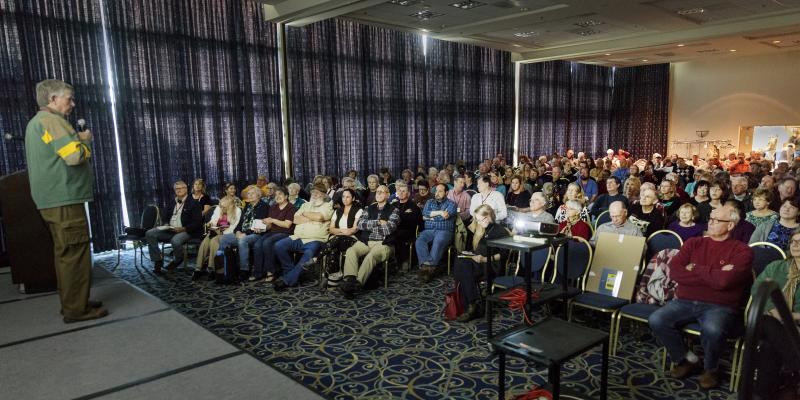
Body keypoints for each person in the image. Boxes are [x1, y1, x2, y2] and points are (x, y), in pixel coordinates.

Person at [24, 79, 108, 323]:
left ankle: (73, 301)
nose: (73, 103)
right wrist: (85, 140)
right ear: (52, 100)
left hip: (52, 199)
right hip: (64, 199)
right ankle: (77, 309)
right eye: (68, 98)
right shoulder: (53, 121)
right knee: (75, 255)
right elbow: (73, 156)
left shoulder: (37, 122)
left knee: (66, 253)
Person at [649, 206, 753, 390]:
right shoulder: (693, 243)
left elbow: (725, 282)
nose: (710, 222)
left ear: (730, 225)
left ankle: (711, 369)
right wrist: (715, 273)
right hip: (685, 300)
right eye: (710, 218)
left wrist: (695, 268)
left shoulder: (742, 251)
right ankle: (688, 360)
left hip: (720, 305)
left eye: (716, 220)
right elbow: (676, 273)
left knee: (712, 329)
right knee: (657, 319)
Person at [749, 229, 800, 398]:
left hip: (793, 326)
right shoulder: (777, 266)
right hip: (770, 319)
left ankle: (762, 394)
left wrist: (792, 317)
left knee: (769, 346)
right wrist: (774, 310)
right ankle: (796, 369)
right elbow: (757, 289)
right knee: (766, 320)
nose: (796, 245)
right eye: (793, 241)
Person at [452, 205, 512, 322]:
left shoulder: (500, 231)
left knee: (463, 268)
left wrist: (484, 259)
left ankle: (472, 304)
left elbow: (504, 255)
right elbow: (481, 250)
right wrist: (470, 253)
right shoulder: (486, 229)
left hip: (492, 265)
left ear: (488, 217)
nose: (478, 223)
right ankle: (472, 304)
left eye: (480, 220)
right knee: (459, 259)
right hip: (480, 262)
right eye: (478, 220)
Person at [339, 185, 399, 298]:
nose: (379, 194)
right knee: (351, 251)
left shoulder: (394, 210)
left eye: (382, 192)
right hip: (367, 241)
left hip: (383, 243)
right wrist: (378, 222)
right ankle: (350, 281)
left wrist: (369, 224)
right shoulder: (368, 208)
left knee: (371, 256)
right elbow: (360, 224)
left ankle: (357, 284)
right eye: (377, 192)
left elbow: (388, 229)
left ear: (387, 195)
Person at [273, 184, 334, 291]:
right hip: (298, 237)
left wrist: (305, 215)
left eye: (317, 193)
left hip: (316, 239)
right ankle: (292, 274)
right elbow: (295, 219)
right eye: (313, 192)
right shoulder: (305, 205)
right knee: (279, 245)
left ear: (324, 195)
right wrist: (312, 217)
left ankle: (288, 280)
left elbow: (320, 217)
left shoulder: (327, 205)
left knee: (309, 254)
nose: (314, 194)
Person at [145, 180, 204, 274]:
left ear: (186, 189)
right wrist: (165, 224)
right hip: (170, 229)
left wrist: (183, 229)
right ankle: (158, 260)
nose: (179, 190)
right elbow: (165, 215)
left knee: (175, 241)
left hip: (186, 230)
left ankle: (177, 260)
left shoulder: (194, 203)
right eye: (176, 189)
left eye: (181, 188)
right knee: (149, 233)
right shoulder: (172, 202)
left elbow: (198, 222)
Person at [218, 186, 270, 279]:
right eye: (248, 194)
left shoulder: (263, 206)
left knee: (243, 240)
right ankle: (224, 268)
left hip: (257, 234)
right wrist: (237, 231)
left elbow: (258, 225)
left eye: (252, 193)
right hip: (243, 233)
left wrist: (245, 233)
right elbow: (240, 222)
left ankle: (244, 270)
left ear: (258, 195)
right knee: (224, 238)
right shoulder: (247, 206)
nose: (249, 195)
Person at [251, 186, 296, 282]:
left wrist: (272, 220)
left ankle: (271, 272)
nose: (277, 196)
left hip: (286, 233)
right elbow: (270, 225)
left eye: (280, 194)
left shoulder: (291, 207)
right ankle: (258, 273)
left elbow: (287, 225)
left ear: (286, 196)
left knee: (267, 242)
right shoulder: (273, 207)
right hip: (273, 232)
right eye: (276, 195)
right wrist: (261, 229)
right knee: (258, 244)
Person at [318, 188, 362, 284]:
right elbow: (331, 229)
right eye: (343, 197)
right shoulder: (338, 211)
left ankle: (317, 258)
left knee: (335, 240)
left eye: (348, 197)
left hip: (351, 239)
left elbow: (354, 230)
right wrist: (343, 231)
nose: (345, 199)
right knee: (334, 248)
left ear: (353, 198)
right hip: (337, 238)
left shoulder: (359, 210)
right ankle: (333, 279)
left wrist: (339, 232)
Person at [192, 195, 240, 281]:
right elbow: (213, 220)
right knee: (206, 241)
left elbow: (234, 228)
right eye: (221, 206)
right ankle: (198, 269)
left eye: (224, 207)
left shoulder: (237, 211)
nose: (222, 208)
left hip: (227, 234)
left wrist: (220, 231)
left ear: (231, 206)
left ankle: (212, 269)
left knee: (213, 241)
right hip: (216, 232)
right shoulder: (219, 208)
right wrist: (210, 224)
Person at [416, 183, 458, 282]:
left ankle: (426, 270)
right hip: (429, 230)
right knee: (419, 240)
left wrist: (430, 217)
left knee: (439, 241)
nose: (437, 193)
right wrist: (440, 212)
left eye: (440, 191)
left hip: (444, 231)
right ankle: (429, 266)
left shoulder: (452, 204)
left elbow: (445, 217)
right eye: (436, 191)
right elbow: (424, 213)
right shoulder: (429, 202)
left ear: (446, 192)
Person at [390, 181, 423, 270]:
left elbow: (412, 220)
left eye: (403, 191)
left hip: (409, 230)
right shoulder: (393, 204)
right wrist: (403, 214)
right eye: (399, 191)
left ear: (408, 193)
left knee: (398, 235)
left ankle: (404, 260)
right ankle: (391, 260)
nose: (401, 193)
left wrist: (399, 216)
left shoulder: (413, 205)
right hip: (394, 228)